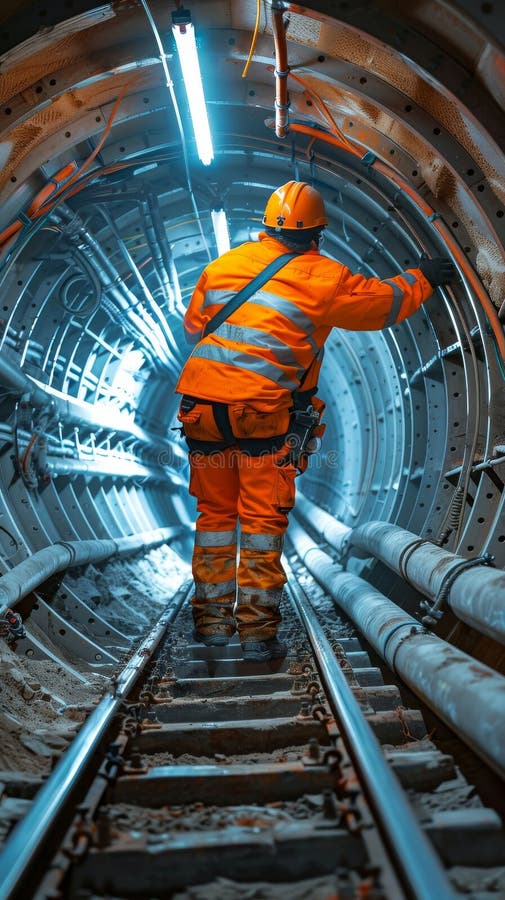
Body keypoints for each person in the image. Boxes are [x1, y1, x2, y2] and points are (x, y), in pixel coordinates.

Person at [175, 181, 455, 661]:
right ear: (317, 234)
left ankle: (212, 626)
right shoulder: (324, 277)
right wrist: (424, 276)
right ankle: (257, 634)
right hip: (260, 414)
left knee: (216, 518)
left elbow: (195, 324)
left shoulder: (223, 266)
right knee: (261, 522)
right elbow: (383, 303)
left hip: (201, 408)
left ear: (266, 227)